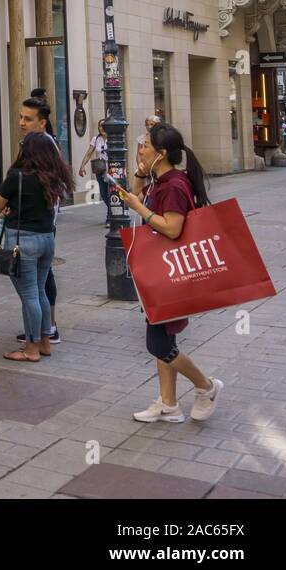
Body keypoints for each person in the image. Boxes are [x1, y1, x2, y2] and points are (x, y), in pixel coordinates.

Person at [114, 124, 224, 423]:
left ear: (161, 153)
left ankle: (206, 386)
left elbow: (173, 229)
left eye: (145, 145)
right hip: (161, 272)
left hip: (171, 274)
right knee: (164, 340)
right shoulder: (159, 179)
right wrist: (139, 175)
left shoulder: (174, 185)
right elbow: (135, 194)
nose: (140, 149)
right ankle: (169, 404)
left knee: (158, 344)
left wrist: (142, 210)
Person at [0, 133, 73, 363]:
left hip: (24, 241)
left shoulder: (17, 176)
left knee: (29, 295)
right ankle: (45, 342)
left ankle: (30, 348)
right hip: (47, 239)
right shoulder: (53, 177)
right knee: (40, 292)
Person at [17, 96, 62, 344]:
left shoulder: (44, 145)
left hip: (40, 225)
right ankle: (44, 330)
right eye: (21, 117)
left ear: (42, 123)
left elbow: (52, 189)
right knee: (39, 282)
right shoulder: (35, 142)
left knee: (38, 284)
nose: (22, 122)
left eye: (28, 119)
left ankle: (47, 330)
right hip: (42, 224)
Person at [78, 119, 111, 225]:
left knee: (110, 192)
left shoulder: (113, 138)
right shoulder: (96, 139)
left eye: (103, 125)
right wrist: (82, 166)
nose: (101, 128)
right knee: (103, 193)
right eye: (99, 126)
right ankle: (112, 212)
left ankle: (110, 215)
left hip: (111, 169)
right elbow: (89, 153)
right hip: (100, 169)